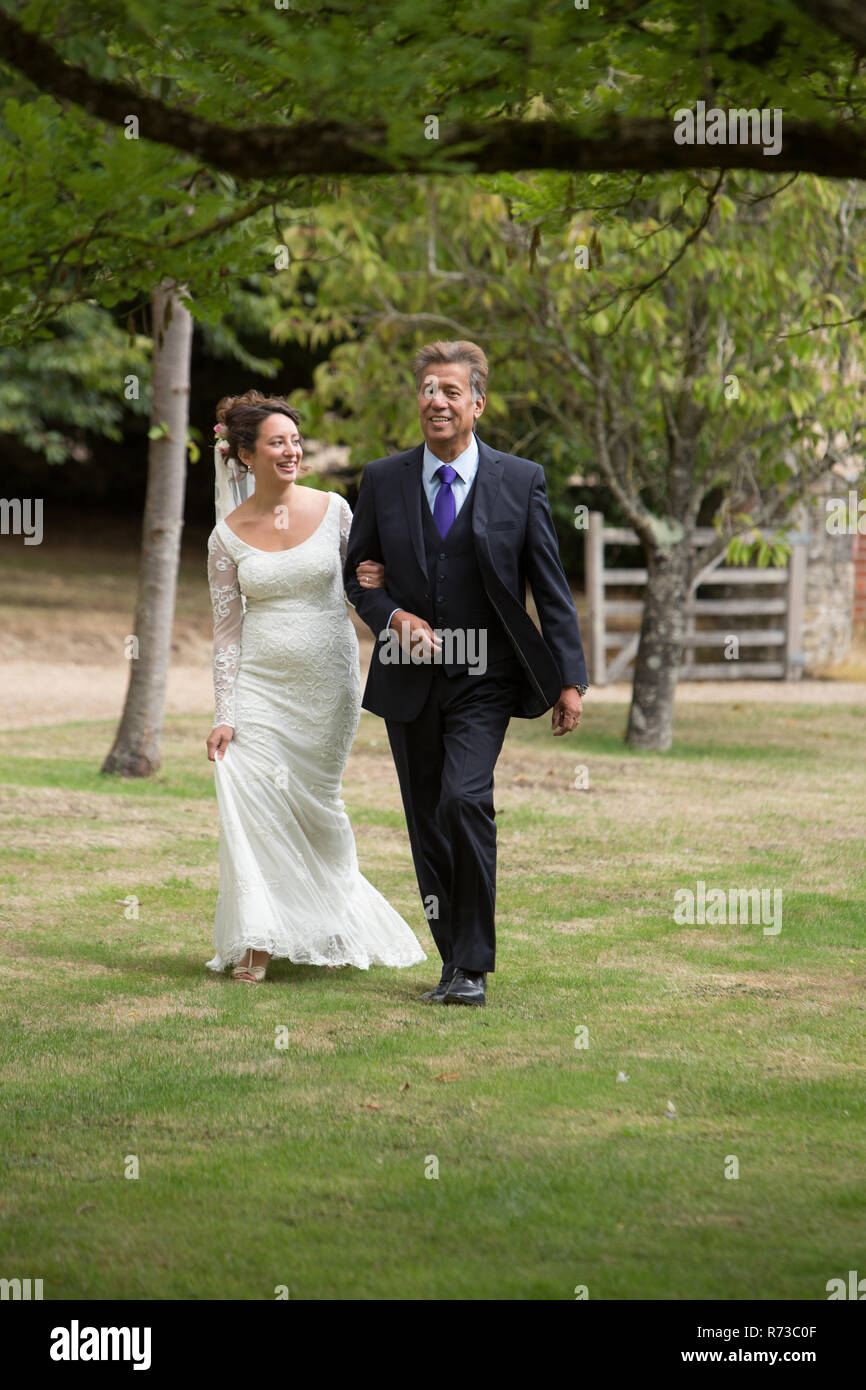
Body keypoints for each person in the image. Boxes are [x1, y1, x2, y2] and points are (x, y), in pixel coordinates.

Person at [343, 342, 587, 1008]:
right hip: (408, 675)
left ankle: (474, 962)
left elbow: (549, 584)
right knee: (426, 820)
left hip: (487, 674)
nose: (436, 401)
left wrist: (571, 680)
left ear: (477, 402)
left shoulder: (521, 480)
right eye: (426, 389)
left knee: (463, 799)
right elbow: (357, 574)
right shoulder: (383, 479)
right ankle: (454, 960)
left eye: (450, 391)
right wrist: (391, 613)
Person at [204, 390, 426, 983]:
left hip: (326, 684)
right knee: (249, 799)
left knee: (319, 807)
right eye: (278, 442)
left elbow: (366, 582)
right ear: (246, 455)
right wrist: (224, 713)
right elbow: (225, 633)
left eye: (296, 441)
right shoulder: (224, 537)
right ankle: (257, 938)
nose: (292, 451)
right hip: (258, 685)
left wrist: (381, 578)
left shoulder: (335, 511)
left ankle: (333, 920)